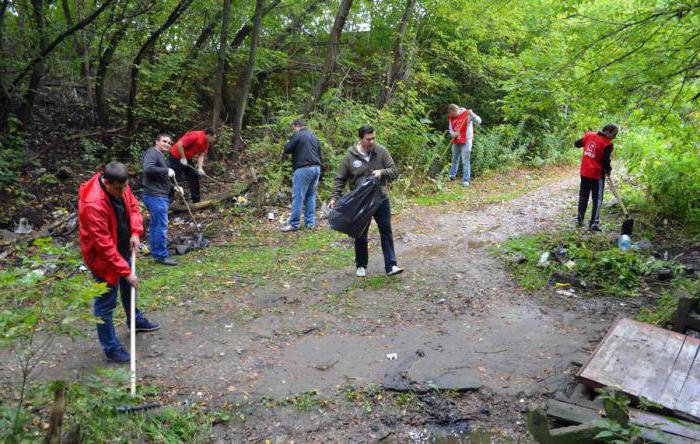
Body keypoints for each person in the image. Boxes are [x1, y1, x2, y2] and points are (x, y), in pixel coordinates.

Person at [78, 162, 159, 363]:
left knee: (129, 288)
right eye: (118, 188)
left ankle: (135, 320)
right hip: (103, 260)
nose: (122, 191)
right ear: (106, 183)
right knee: (105, 303)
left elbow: (133, 208)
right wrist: (125, 270)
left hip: (123, 248)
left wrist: (135, 232)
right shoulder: (93, 204)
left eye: (125, 187)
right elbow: (103, 246)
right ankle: (111, 347)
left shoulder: (120, 182)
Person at [329, 125, 404, 277]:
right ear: (361, 138)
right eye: (368, 139)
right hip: (360, 202)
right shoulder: (350, 156)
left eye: (373, 138)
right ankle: (361, 265)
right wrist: (335, 197)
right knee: (360, 232)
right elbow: (340, 178)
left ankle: (391, 265)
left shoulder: (381, 151)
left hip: (380, 198)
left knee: (386, 231)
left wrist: (382, 172)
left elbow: (394, 171)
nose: (372, 142)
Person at [142, 132, 183, 265]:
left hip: (158, 194)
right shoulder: (153, 153)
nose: (167, 144)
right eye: (164, 141)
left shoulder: (160, 156)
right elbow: (148, 169)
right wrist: (166, 171)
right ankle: (161, 256)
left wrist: (174, 187)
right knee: (160, 226)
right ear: (157, 142)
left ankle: (156, 253)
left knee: (155, 226)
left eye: (169, 142)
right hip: (155, 196)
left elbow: (161, 179)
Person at [281, 119, 323, 232]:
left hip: (303, 169)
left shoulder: (298, 135)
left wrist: (287, 142)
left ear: (296, 126)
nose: (293, 130)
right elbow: (320, 155)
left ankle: (294, 223)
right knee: (311, 195)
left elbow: (287, 149)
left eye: (293, 128)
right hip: (316, 168)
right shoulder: (314, 137)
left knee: (298, 196)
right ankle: (310, 223)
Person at [574, 124, 619, 231]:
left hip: (584, 172)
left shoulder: (589, 135)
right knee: (597, 199)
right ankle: (594, 224)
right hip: (596, 175)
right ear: (609, 132)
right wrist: (608, 170)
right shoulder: (607, 144)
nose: (615, 137)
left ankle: (580, 220)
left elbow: (576, 144)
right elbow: (605, 162)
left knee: (583, 197)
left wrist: (587, 143)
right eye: (615, 134)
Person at [169, 127, 217, 203]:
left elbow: (201, 155)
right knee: (173, 177)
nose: (214, 140)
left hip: (187, 159)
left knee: (194, 175)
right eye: (214, 138)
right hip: (176, 156)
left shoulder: (206, 143)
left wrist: (200, 168)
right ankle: (169, 200)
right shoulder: (195, 136)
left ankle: (196, 199)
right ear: (208, 135)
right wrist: (183, 158)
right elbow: (179, 145)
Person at [447, 103, 481, 186]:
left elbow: (479, 121)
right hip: (456, 141)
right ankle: (452, 176)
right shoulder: (451, 118)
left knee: (465, 161)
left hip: (466, 141)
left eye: (452, 114)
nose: (452, 116)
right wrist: (454, 134)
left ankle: (466, 180)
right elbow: (450, 130)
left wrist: (472, 114)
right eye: (450, 114)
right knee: (454, 159)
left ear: (456, 111)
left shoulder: (467, 114)